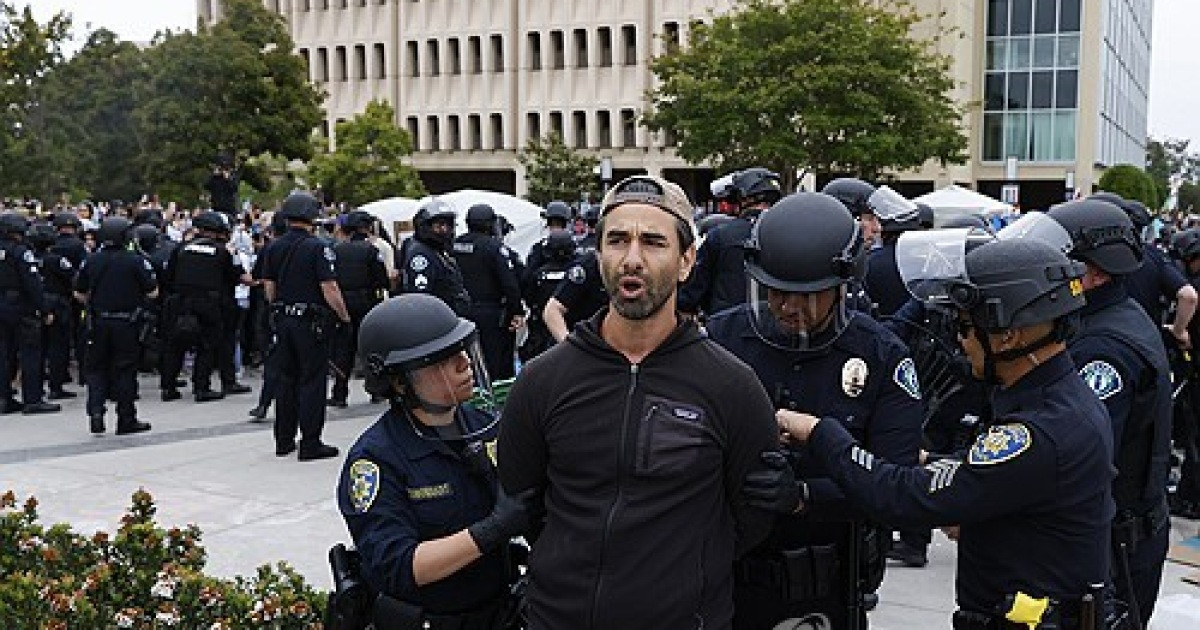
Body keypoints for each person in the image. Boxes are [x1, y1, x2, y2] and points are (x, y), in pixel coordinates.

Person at [775, 236, 1115, 630]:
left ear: (1008, 335)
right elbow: (1001, 482)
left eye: (965, 326)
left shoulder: (1038, 432)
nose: (959, 339)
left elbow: (901, 498)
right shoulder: (1059, 400)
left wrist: (820, 433)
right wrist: (933, 463)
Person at [496, 175, 779, 630]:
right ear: (599, 253)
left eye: (652, 242)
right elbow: (523, 503)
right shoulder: (542, 382)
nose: (632, 259)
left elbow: (751, 517)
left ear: (687, 261)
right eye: (617, 240)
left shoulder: (732, 387)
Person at [704, 192, 923, 629]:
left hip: (825, 588)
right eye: (776, 292)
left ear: (843, 284)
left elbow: (898, 487)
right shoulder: (720, 340)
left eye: (809, 295)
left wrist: (806, 497)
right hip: (725, 582)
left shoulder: (881, 356)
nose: (789, 307)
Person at [335, 294, 537, 629]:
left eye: (463, 350)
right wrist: (490, 532)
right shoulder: (376, 459)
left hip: (499, 612)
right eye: (442, 360)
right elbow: (398, 566)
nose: (464, 364)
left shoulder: (484, 425)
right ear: (399, 381)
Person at [1045, 198, 1173, 627]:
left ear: (1095, 273)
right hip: (1122, 537)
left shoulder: (1102, 349)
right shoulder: (1115, 317)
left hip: (1113, 549)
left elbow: (1083, 461)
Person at [259, 192, 350, 461]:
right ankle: (310, 442)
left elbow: (269, 287)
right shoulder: (318, 248)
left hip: (282, 319)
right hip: (310, 323)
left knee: (285, 380)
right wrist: (343, 317)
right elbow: (329, 287)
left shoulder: (273, 247)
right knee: (312, 381)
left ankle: (283, 439)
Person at [74, 217, 158, 435]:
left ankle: (95, 413)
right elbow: (152, 291)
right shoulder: (136, 261)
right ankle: (126, 418)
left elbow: (79, 292)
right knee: (125, 371)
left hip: (98, 321)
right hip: (127, 323)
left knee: (95, 370)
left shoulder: (91, 260)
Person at [159, 211, 248, 402]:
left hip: (180, 301)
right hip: (209, 304)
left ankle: (168, 387)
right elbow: (237, 276)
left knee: (175, 345)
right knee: (206, 345)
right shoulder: (222, 251)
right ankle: (202, 387)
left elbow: (168, 276)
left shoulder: (181, 248)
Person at [1093, 192, 1198, 349]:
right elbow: (1188, 296)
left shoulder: (1089, 259)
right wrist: (1178, 331)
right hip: (1145, 343)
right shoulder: (1153, 256)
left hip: (1096, 340)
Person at [679, 167, 782, 318]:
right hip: (780, 332)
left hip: (726, 332)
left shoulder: (719, 237)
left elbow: (690, 294)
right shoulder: (792, 234)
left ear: (744, 199)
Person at [452, 204, 525, 380]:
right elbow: (509, 284)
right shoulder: (494, 247)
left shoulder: (453, 245)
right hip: (491, 314)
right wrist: (517, 310)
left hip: (460, 311)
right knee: (496, 365)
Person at [328, 210, 390, 408]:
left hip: (344, 303)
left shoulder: (338, 250)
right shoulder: (371, 250)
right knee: (369, 348)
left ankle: (339, 393)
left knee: (343, 349)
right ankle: (377, 390)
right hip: (367, 302)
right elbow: (382, 280)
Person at [0, 213, 59, 415]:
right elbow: (32, 284)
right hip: (20, 307)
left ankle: (4, 397)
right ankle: (32, 399)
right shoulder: (21, 252)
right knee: (30, 353)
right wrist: (44, 308)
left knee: (4, 354)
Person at [27, 221, 77, 401]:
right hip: (57, 304)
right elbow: (74, 277)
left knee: (36, 349)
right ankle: (56, 386)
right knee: (58, 347)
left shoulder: (29, 258)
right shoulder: (56, 259)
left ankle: (35, 387)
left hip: (33, 305)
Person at [401, 199, 470, 317]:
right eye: (439, 225)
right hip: (436, 321)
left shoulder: (439, 251)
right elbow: (421, 298)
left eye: (448, 225)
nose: (445, 230)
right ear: (425, 226)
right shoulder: (421, 255)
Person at [518, 229, 575, 362]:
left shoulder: (538, 275)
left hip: (541, 331)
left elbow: (528, 296)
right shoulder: (576, 275)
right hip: (570, 328)